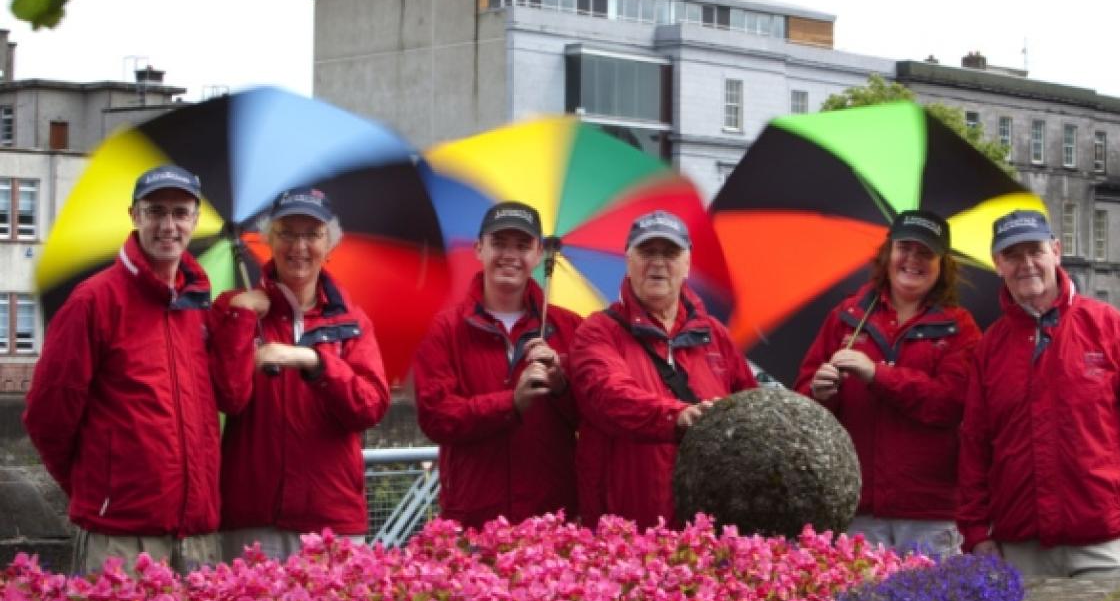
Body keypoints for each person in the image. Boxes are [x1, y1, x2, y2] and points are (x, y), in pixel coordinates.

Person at [957, 209, 1120, 577]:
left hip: (1105, 540)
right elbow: (975, 445)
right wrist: (976, 531)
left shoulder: (1108, 326)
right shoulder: (990, 346)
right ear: (998, 264)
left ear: (1056, 252)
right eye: (1012, 255)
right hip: (1020, 544)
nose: (1026, 264)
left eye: (1035, 250)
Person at [24, 166, 221, 574]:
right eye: (156, 211)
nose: (168, 225)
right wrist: (97, 490)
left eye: (180, 213)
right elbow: (48, 415)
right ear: (134, 216)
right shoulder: (93, 301)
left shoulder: (198, 306)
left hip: (196, 535)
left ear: (195, 219)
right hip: (120, 535)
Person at [210, 188, 389, 560]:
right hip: (253, 516)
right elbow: (229, 397)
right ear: (269, 241)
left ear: (330, 244)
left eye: (312, 234)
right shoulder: (233, 309)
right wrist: (241, 318)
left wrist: (314, 362)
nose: (299, 246)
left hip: (330, 517)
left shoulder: (351, 321)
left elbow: (370, 407)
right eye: (287, 233)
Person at [794, 210, 981, 558]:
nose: (912, 260)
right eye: (904, 248)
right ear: (888, 253)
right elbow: (803, 405)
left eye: (925, 252)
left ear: (942, 265)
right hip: (857, 507)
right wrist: (820, 394)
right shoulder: (846, 317)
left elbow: (952, 403)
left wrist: (878, 375)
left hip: (928, 513)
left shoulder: (960, 328)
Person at [570, 210, 757, 529]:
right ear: (628, 259)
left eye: (670, 253)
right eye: (647, 252)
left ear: (687, 264)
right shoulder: (598, 331)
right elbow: (610, 396)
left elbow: (752, 411)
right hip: (624, 530)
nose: (658, 263)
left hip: (706, 529)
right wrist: (678, 416)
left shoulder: (716, 335)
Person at [414, 201, 580, 529]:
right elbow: (436, 418)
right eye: (499, 243)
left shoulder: (570, 327)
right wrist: (510, 404)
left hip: (551, 518)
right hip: (473, 518)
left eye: (522, 246)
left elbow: (590, 417)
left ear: (538, 254)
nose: (510, 255)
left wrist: (561, 386)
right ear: (479, 249)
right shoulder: (444, 329)